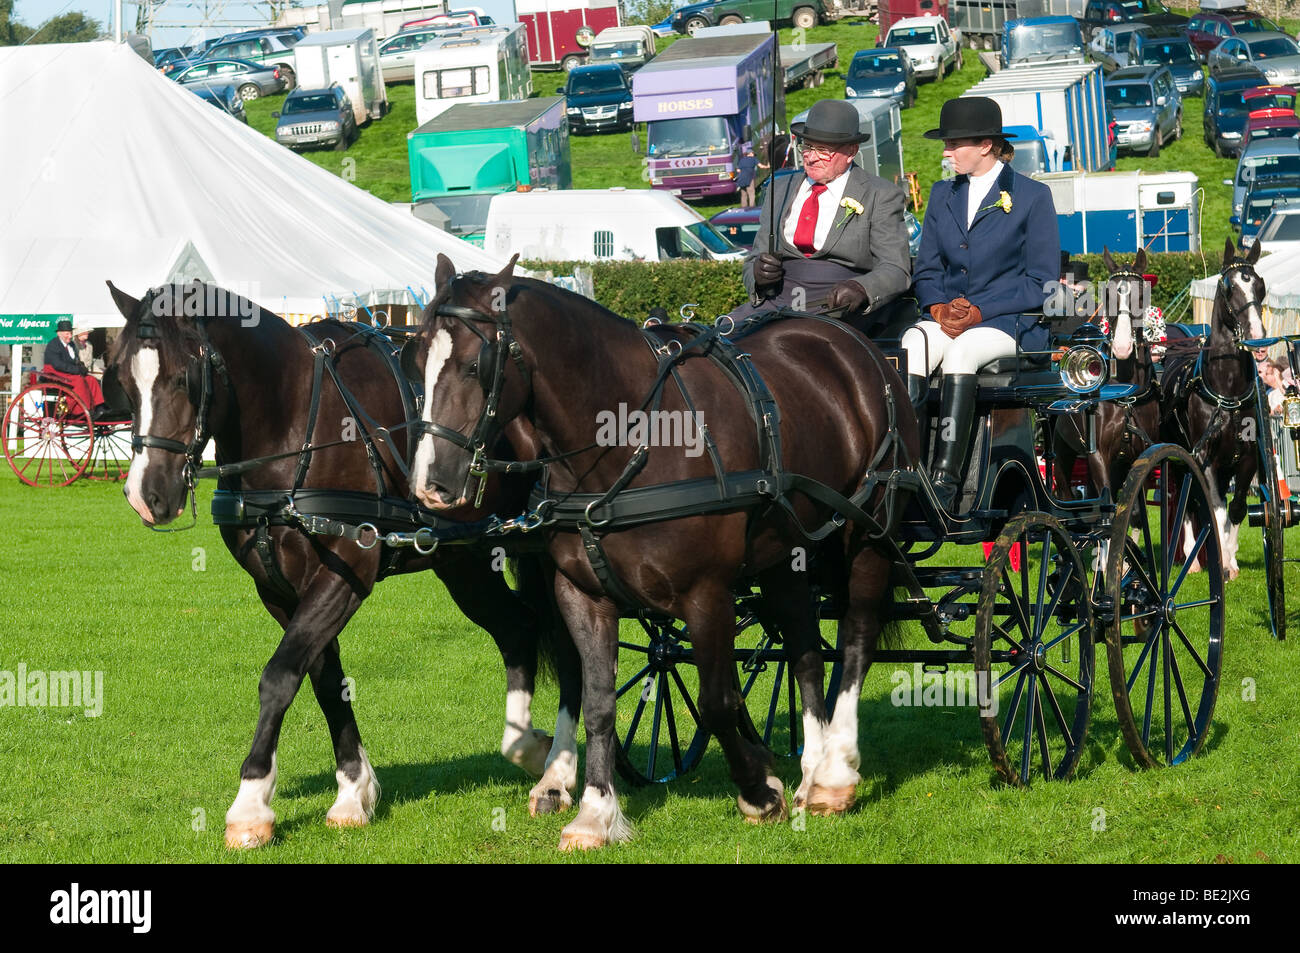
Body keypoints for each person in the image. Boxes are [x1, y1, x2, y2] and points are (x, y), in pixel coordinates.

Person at [905, 97, 1060, 510]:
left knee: (963, 351)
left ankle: (946, 480)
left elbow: (1041, 283)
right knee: (912, 343)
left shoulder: (1032, 196)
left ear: (986, 145)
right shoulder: (941, 195)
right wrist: (937, 307)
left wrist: (979, 310)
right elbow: (926, 269)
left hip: (1010, 323)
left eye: (954, 143)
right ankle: (907, 466)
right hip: (949, 316)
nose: (946, 151)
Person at [738, 99, 911, 326]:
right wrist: (758, 276)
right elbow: (752, 259)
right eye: (807, 147)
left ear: (851, 151)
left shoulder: (880, 194)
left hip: (839, 308)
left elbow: (896, 268)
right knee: (715, 344)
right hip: (777, 303)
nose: (810, 156)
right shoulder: (779, 189)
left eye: (823, 150)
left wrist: (862, 288)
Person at [42, 318, 110, 420]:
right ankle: (82, 410)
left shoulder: (71, 345)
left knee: (90, 379)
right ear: (59, 333)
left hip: (68, 371)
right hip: (55, 372)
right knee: (78, 381)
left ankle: (99, 405)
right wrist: (76, 370)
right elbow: (58, 364)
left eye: (70, 333)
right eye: (67, 334)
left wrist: (80, 366)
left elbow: (75, 360)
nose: (69, 336)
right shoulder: (53, 345)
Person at [736, 143, 759, 208]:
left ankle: (743, 208)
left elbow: (738, 170)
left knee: (743, 195)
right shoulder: (753, 159)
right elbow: (761, 166)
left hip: (741, 179)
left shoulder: (741, 160)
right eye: (753, 154)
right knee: (751, 194)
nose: (754, 155)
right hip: (749, 179)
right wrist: (768, 166)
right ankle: (752, 208)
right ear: (751, 153)